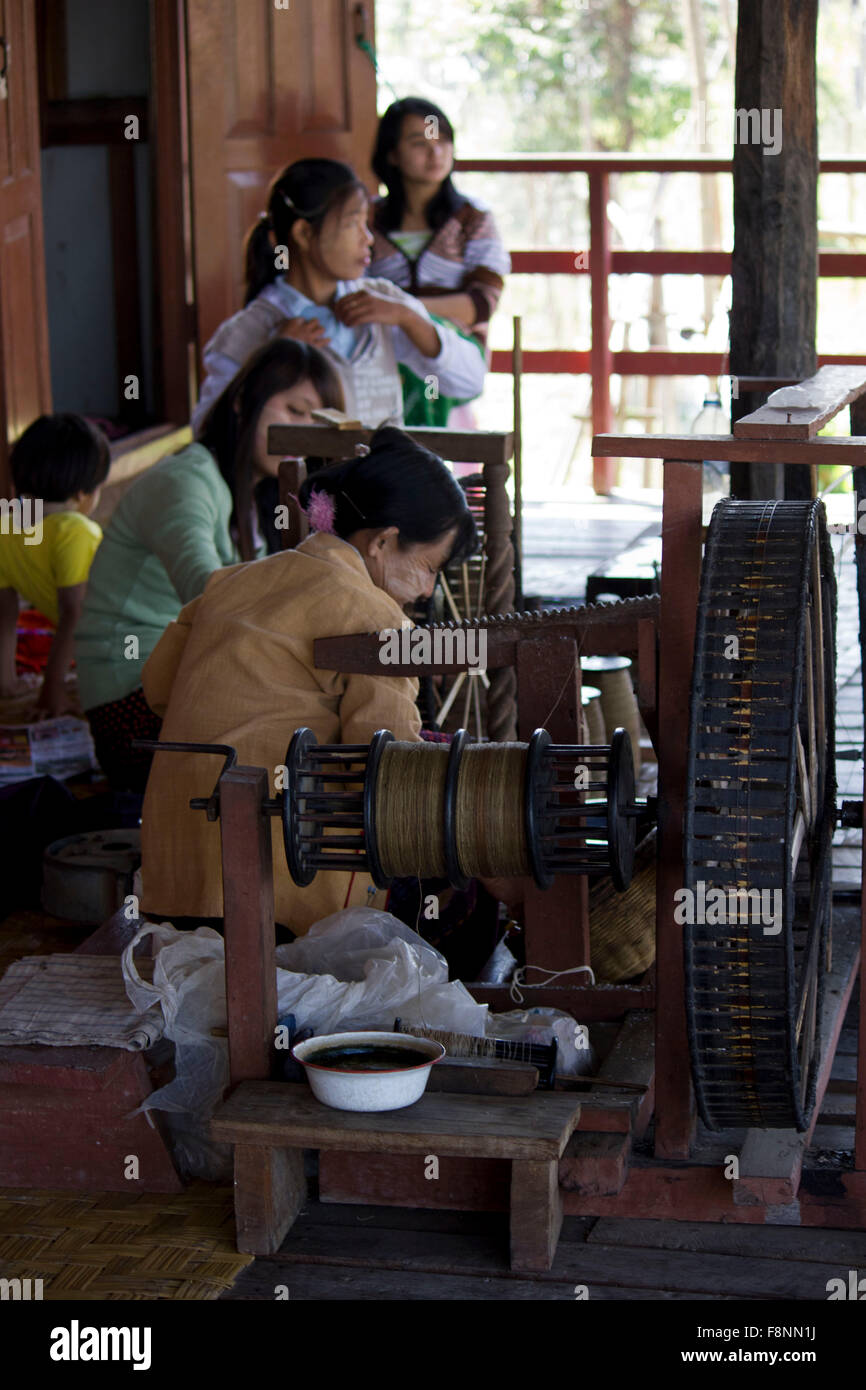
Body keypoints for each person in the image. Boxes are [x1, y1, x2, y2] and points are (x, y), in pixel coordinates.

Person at [139, 426, 514, 962]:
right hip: (277, 896)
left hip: (173, 881)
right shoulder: (373, 616)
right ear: (383, 541)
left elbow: (158, 687)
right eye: (429, 567)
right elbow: (391, 771)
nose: (429, 590)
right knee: (465, 888)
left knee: (438, 750)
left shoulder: (233, 580)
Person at [74, 339, 342, 791]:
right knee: (308, 732)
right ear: (241, 402)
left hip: (182, 677)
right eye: (295, 410)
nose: (302, 434)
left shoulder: (259, 496)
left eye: (316, 423)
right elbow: (210, 595)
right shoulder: (185, 481)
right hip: (130, 702)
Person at [191, 158, 487, 433]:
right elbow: (206, 430)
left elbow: (470, 380)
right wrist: (270, 361)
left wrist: (411, 319)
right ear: (304, 234)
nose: (368, 239)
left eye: (366, 224)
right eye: (351, 224)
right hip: (302, 490)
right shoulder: (249, 331)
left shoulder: (383, 304)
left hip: (384, 486)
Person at [368, 97, 511, 426]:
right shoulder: (367, 220)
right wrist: (397, 315)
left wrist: (402, 311)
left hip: (454, 353)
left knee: (420, 368)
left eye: (443, 141)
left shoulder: (473, 219)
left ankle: (416, 464)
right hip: (383, 351)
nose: (436, 153)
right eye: (419, 143)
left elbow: (481, 303)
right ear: (391, 154)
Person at [0, 414, 109, 719]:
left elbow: (5, 614)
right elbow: (75, 614)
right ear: (82, 494)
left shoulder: (5, 527)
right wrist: (52, 694)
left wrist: (6, 682)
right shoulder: (75, 530)